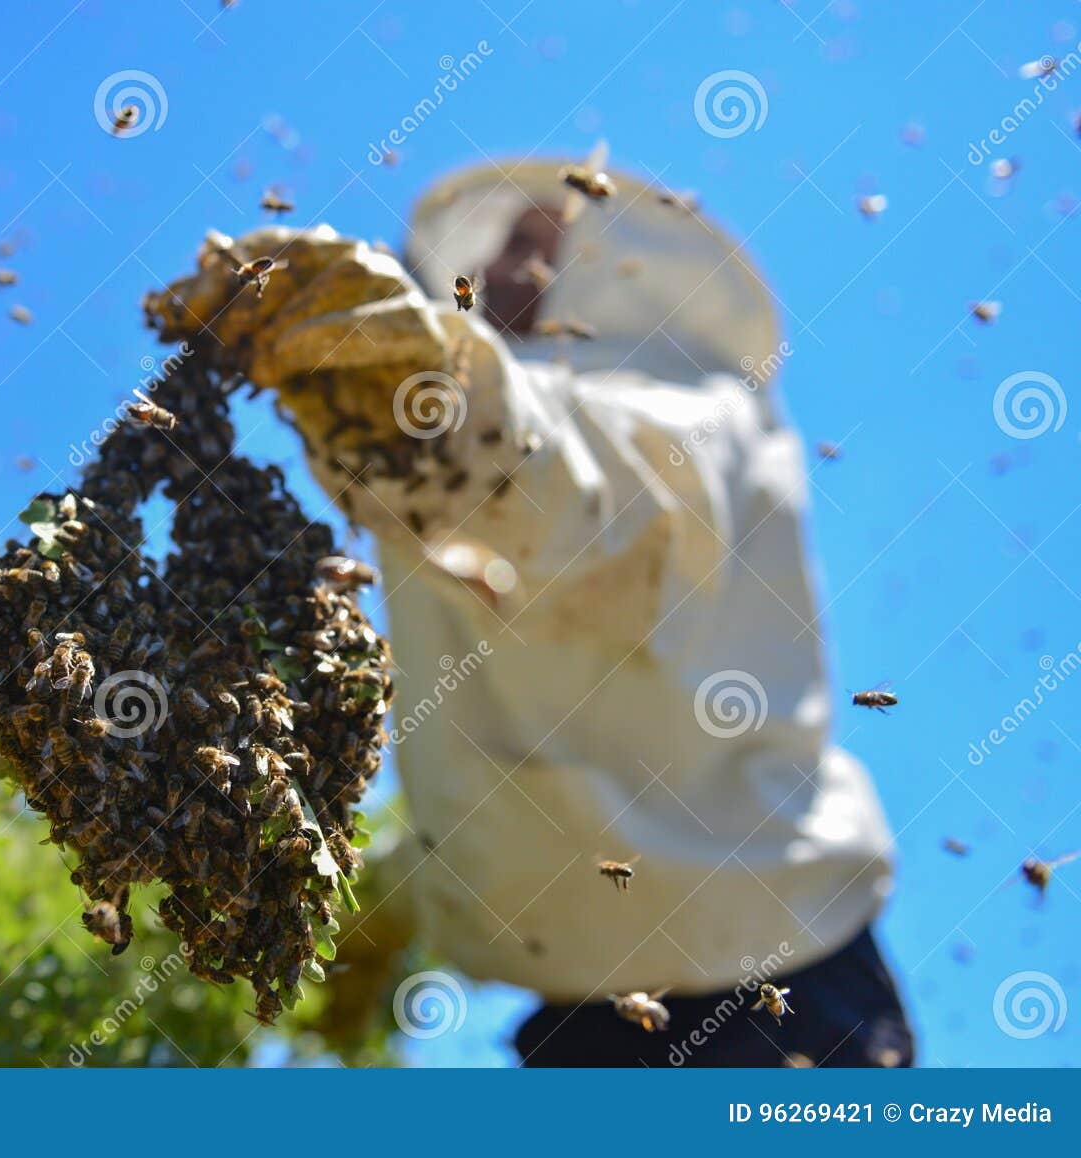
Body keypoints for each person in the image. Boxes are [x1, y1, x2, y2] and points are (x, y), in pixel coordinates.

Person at [145, 148, 913, 1068]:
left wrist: (434, 398)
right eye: (501, 245)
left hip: (781, 992)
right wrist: (367, 925)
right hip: (582, 1019)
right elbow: (511, 777)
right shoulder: (457, 498)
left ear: (607, 268)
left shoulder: (690, 410)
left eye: (539, 243)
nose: (503, 271)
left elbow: (591, 489)